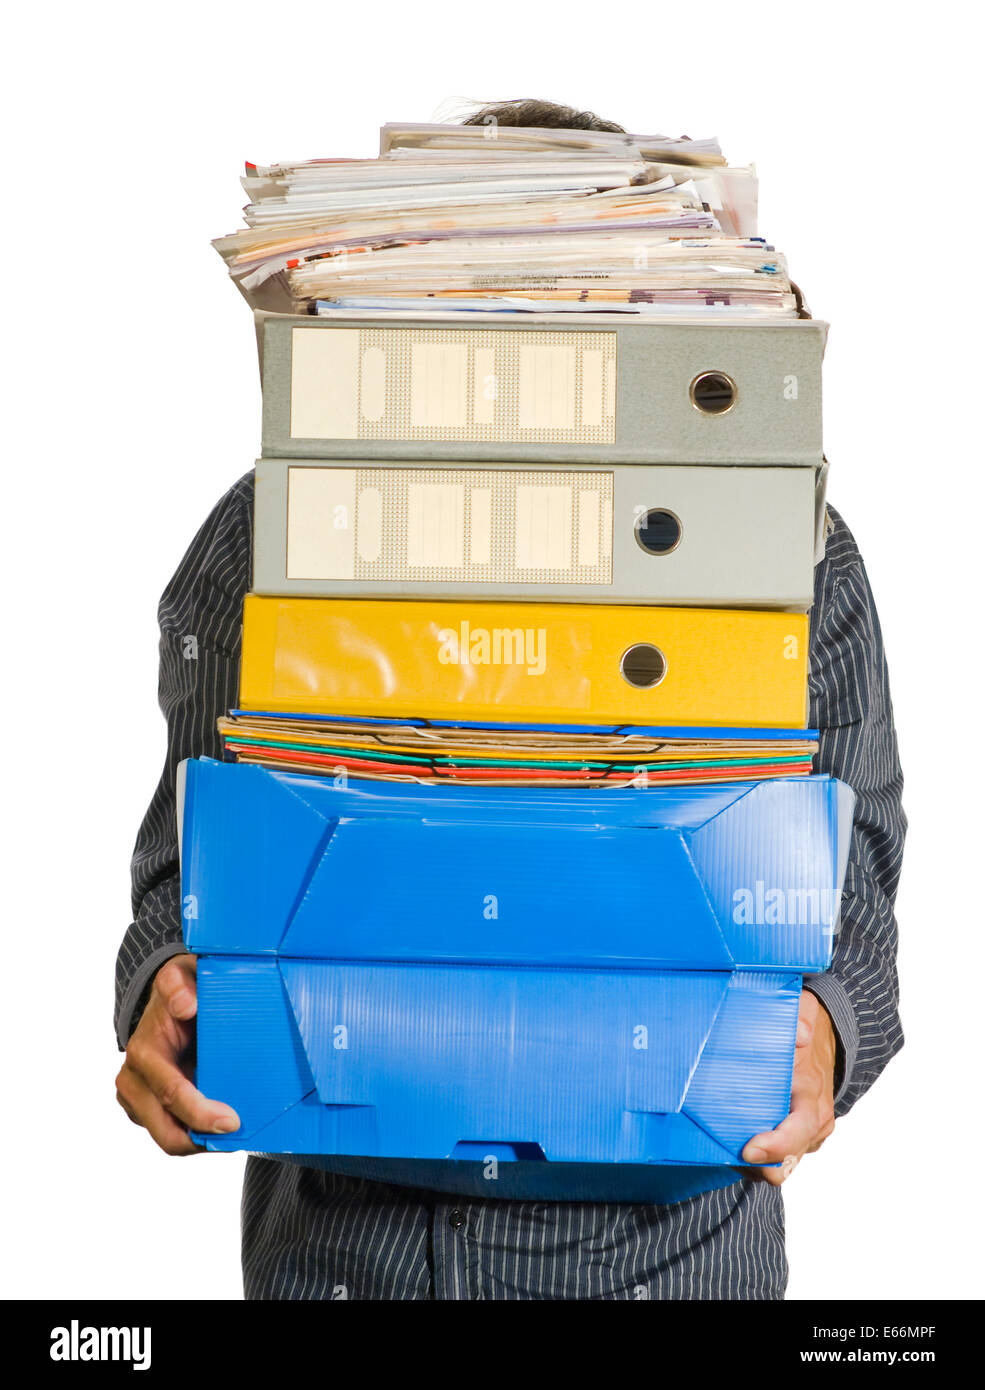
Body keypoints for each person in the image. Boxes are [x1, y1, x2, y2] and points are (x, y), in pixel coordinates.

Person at [114, 98, 906, 1301]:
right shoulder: (270, 533)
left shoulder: (791, 554)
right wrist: (165, 981)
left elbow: (862, 883)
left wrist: (823, 1030)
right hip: (347, 1255)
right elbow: (194, 849)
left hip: (670, 1260)